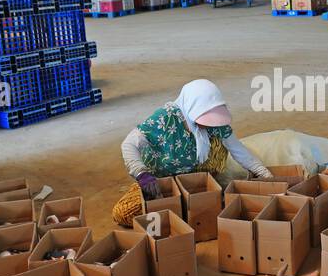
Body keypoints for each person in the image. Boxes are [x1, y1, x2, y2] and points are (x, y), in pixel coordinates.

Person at [116, 79, 272, 223]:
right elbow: (128, 144)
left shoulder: (217, 126)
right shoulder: (164, 120)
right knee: (125, 213)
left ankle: (200, 193)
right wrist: (142, 173)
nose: (210, 125)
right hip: (160, 180)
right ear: (190, 108)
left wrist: (263, 173)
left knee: (203, 211)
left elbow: (238, 150)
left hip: (193, 177)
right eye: (205, 118)